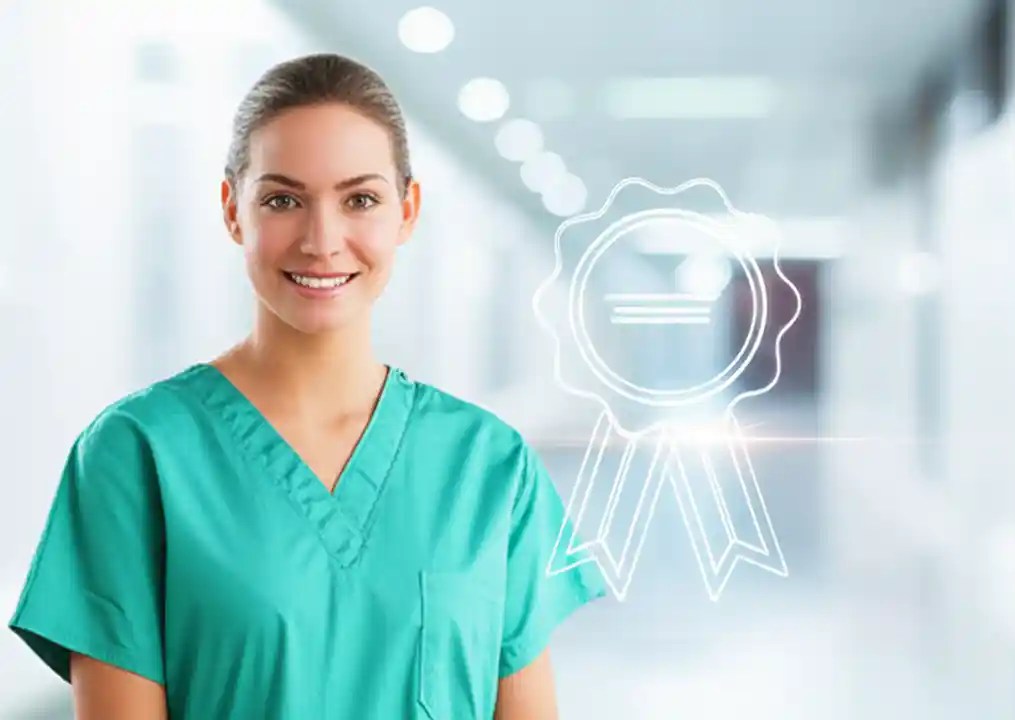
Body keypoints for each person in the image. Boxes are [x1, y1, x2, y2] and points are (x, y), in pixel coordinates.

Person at [7, 52, 606, 719]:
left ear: (406, 211)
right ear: (234, 210)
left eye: (360, 199)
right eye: (284, 200)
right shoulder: (137, 455)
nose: (323, 240)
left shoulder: (488, 465)